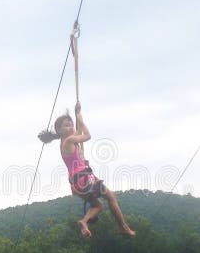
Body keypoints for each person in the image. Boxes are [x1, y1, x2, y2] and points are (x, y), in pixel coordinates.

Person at [38, 101, 135, 239]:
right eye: (67, 125)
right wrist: (78, 116)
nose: (70, 127)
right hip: (83, 179)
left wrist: (78, 114)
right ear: (59, 131)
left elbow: (78, 131)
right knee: (111, 197)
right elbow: (87, 135)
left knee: (98, 206)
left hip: (77, 184)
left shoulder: (66, 142)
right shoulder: (69, 140)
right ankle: (123, 227)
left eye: (71, 124)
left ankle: (84, 221)